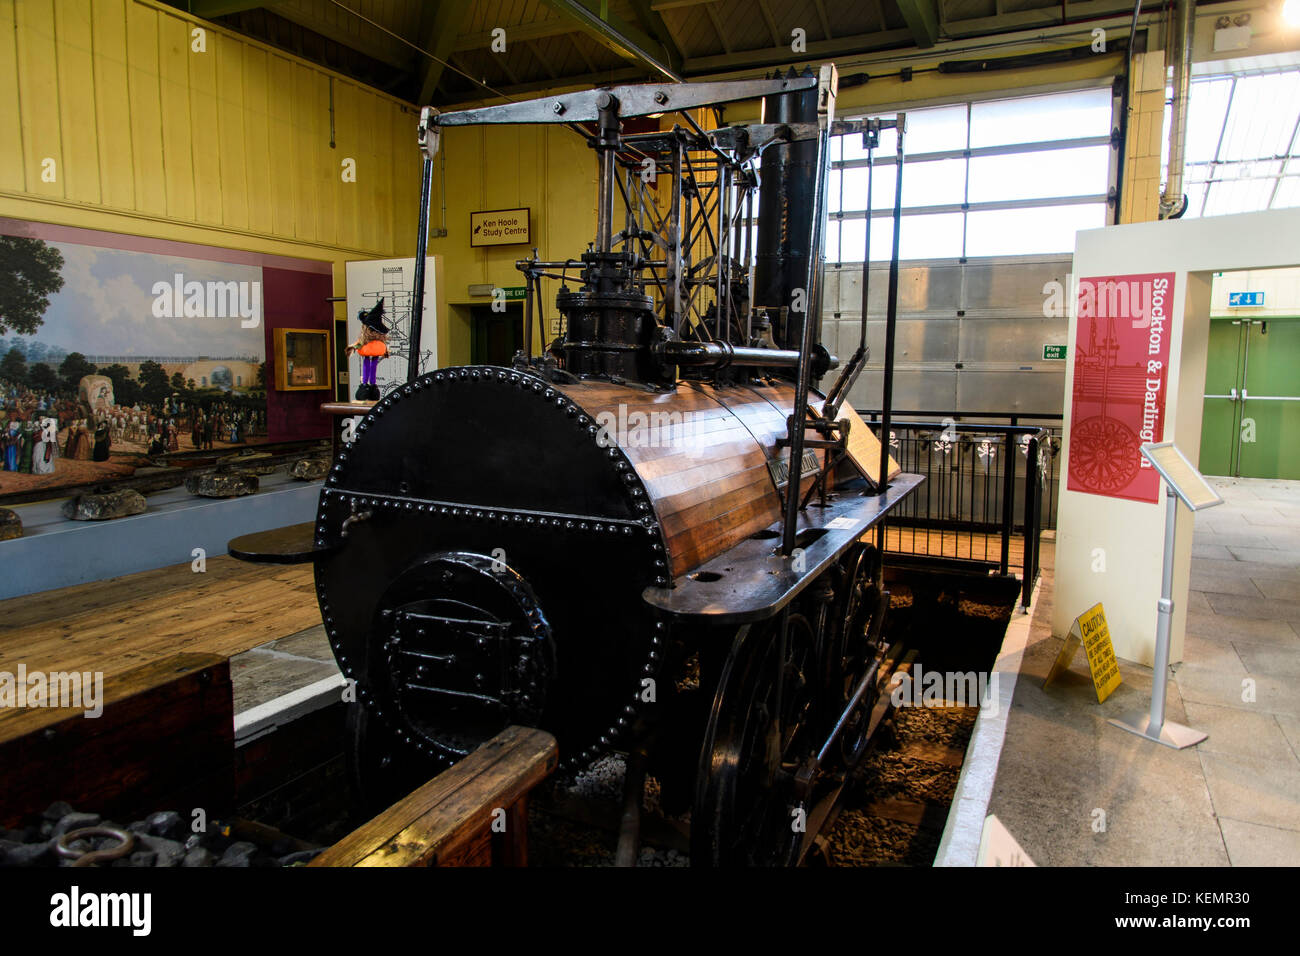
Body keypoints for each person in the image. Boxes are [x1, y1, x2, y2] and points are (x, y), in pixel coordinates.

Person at [346, 298, 389, 402]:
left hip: (372, 353)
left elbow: (359, 344)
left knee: (371, 365)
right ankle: (367, 384)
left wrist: (353, 347)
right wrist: (353, 347)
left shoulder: (373, 342)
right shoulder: (367, 341)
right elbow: (359, 344)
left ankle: (368, 385)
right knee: (370, 364)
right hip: (370, 353)